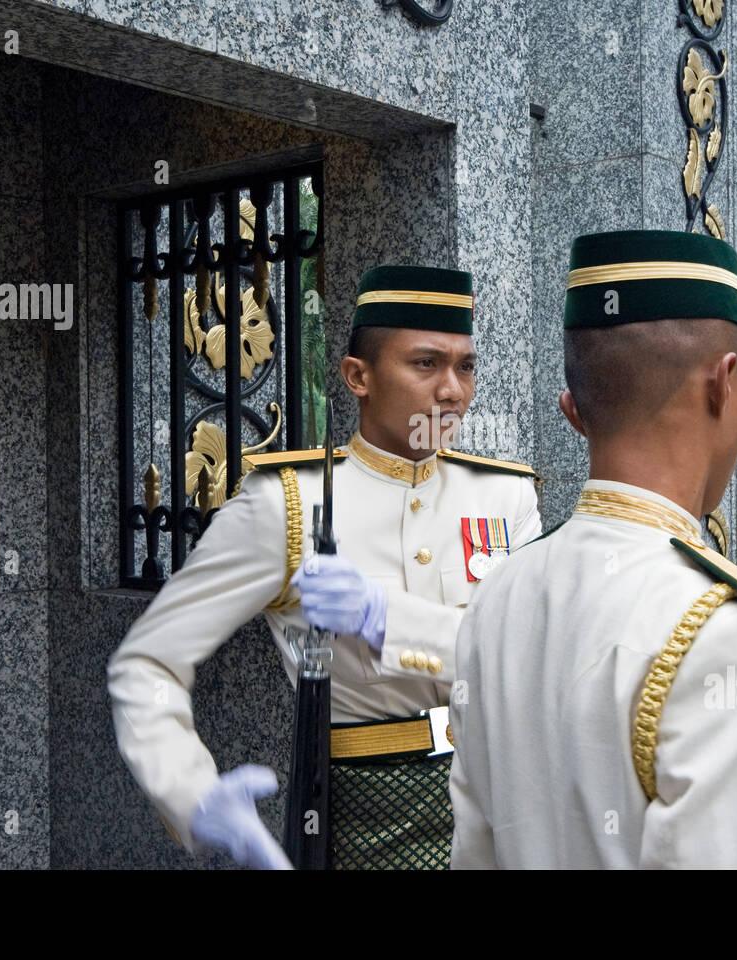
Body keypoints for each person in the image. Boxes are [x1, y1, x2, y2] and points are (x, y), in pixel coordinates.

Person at [107, 264, 541, 869]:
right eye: (425, 364)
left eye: (464, 366)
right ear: (357, 376)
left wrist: (385, 617)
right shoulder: (287, 504)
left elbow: (522, 659)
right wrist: (192, 794)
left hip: (505, 811)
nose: (452, 390)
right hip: (368, 822)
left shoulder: (504, 497)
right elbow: (147, 661)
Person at [448, 230, 737, 869]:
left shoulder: (498, 593)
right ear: (723, 385)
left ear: (574, 411)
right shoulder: (726, 636)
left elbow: (474, 852)